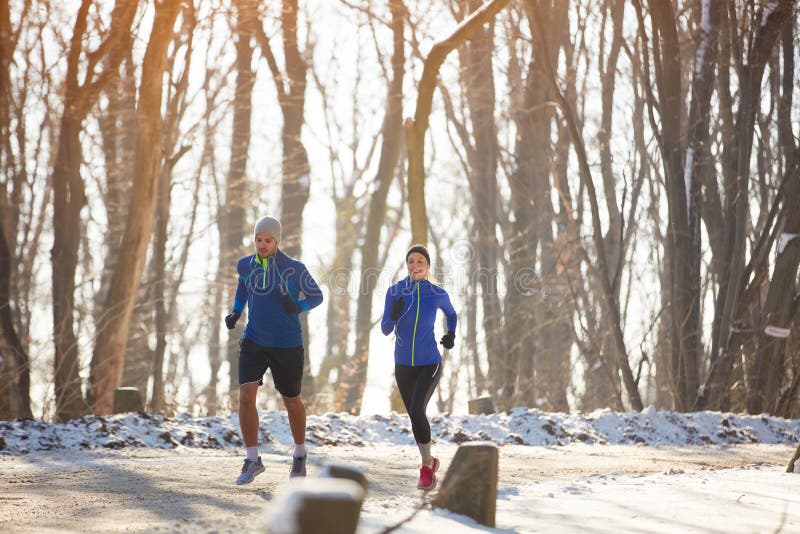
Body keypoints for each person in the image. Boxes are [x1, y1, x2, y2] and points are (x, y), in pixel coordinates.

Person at [225, 216, 323, 485]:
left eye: (268, 240)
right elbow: (243, 287)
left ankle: (300, 454)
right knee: (246, 396)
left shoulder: (293, 268)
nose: (262, 245)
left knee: (291, 401)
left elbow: (316, 296)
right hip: (254, 341)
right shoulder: (245, 265)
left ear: (277, 241)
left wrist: (298, 307)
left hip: (287, 344)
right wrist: (236, 311)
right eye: (258, 240)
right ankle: (253, 459)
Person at [381, 244, 457, 490]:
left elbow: (451, 314)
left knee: (416, 409)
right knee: (414, 415)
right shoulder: (395, 292)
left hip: (430, 362)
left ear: (427, 266)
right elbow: (385, 329)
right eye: (411, 262)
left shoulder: (436, 292)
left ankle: (426, 466)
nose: (415, 266)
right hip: (403, 364)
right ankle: (430, 461)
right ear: (407, 265)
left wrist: (451, 334)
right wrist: (393, 313)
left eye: (420, 262)